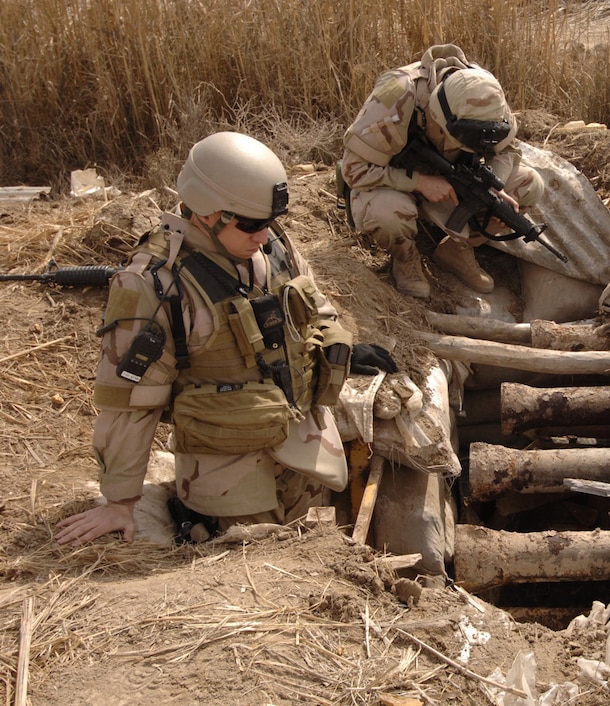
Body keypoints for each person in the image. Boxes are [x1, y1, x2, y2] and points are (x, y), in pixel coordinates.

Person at [56, 131, 397, 546]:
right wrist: (120, 502)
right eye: (251, 223)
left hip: (305, 450)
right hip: (230, 472)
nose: (262, 234)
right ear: (205, 210)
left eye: (269, 222)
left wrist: (335, 346)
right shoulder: (157, 286)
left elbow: (312, 304)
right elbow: (130, 405)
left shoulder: (270, 245)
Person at [340, 43, 546, 299]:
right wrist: (419, 182)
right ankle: (406, 258)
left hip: (454, 178)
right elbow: (353, 170)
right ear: (437, 115)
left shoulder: (487, 98)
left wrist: (494, 184)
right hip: (395, 179)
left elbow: (509, 151)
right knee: (388, 214)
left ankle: (458, 249)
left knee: (530, 185)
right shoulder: (397, 96)